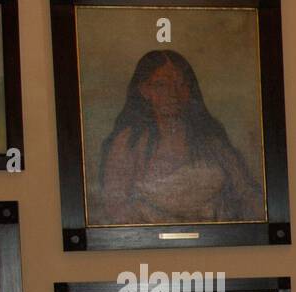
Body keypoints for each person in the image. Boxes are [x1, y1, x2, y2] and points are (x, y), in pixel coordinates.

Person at [96, 50, 262, 225]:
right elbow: (116, 206)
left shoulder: (209, 139)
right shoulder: (129, 142)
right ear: (145, 90)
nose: (173, 93)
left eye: (181, 84)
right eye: (162, 85)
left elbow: (246, 192)